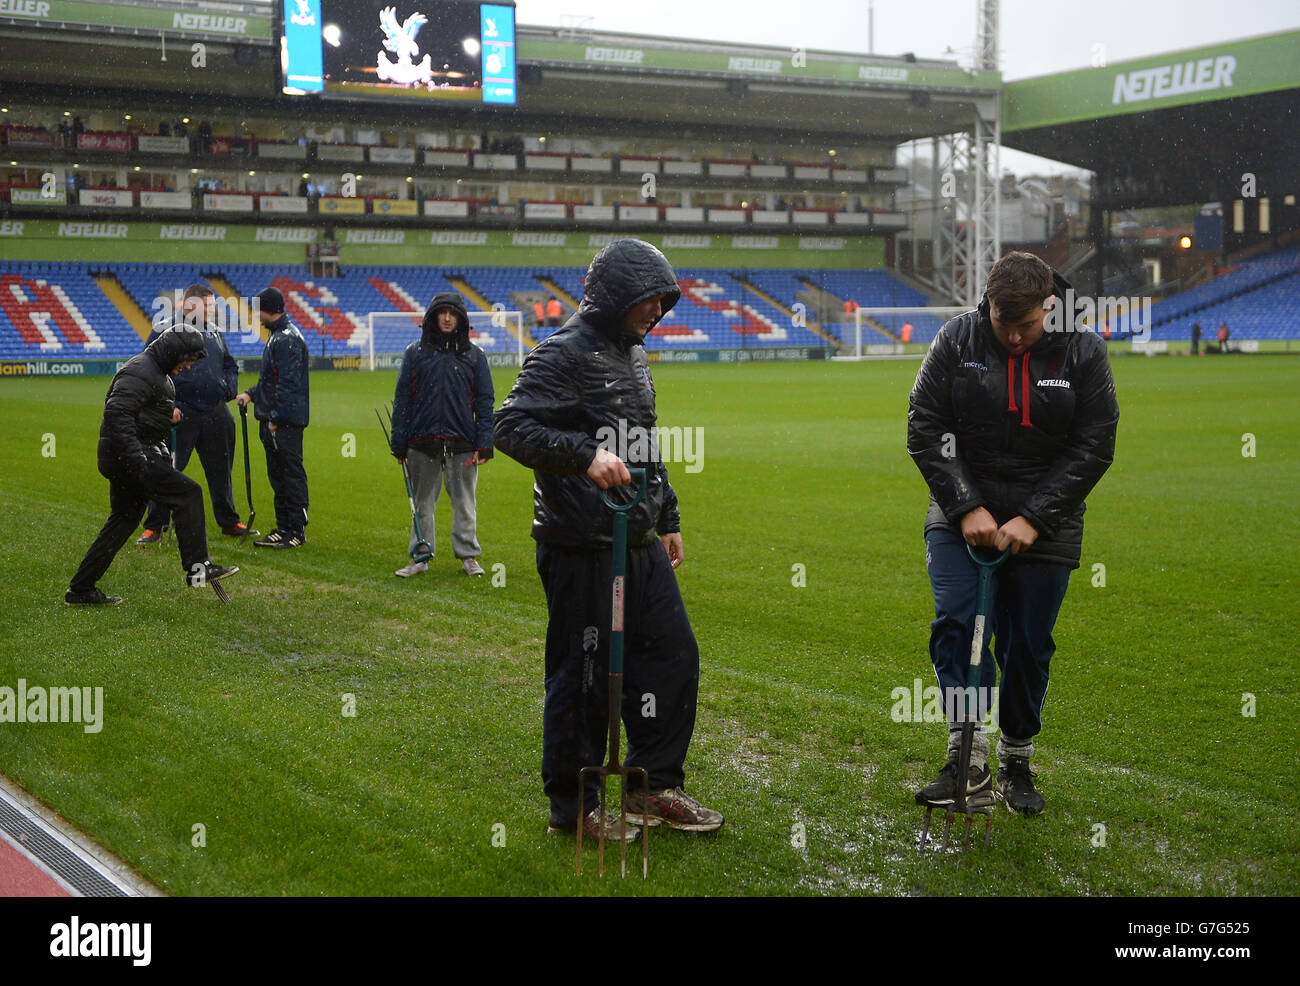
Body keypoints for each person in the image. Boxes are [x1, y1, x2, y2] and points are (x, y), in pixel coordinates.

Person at [494, 237, 723, 843]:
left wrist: (666, 515)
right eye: (648, 300)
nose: (657, 311)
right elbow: (509, 427)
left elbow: (645, 440)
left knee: (673, 657)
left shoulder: (635, 355)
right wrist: (584, 454)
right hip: (581, 543)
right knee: (586, 675)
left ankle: (653, 786)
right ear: (616, 294)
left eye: (663, 302)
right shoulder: (560, 353)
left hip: (638, 537)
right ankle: (575, 808)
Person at [907, 251, 1119, 815]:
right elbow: (925, 427)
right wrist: (966, 506)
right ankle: (965, 755)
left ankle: (1015, 758)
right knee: (957, 622)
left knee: (1027, 642)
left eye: (1026, 325)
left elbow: (1094, 444)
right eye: (1003, 323)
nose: (1015, 336)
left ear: (1050, 306)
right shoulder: (957, 340)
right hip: (961, 513)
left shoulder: (1084, 349)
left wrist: (1036, 516)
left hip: (1046, 519)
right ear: (989, 307)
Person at [66, 326, 238, 604]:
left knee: (123, 521)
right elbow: (117, 414)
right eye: (188, 359)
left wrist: (164, 416)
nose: (188, 366)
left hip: (121, 457)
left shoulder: (153, 371)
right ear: (175, 352)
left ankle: (81, 589)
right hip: (131, 458)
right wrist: (138, 460)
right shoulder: (142, 370)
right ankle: (198, 569)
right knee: (188, 494)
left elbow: (135, 412)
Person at [136, 284, 257, 545]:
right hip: (181, 412)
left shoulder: (214, 332)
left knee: (221, 469)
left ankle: (229, 521)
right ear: (191, 305)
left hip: (215, 410)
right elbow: (149, 367)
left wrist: (228, 389)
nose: (213, 311)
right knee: (167, 468)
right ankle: (155, 525)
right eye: (208, 306)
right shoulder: (164, 329)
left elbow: (229, 364)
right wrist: (168, 405)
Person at [388, 293, 493, 578]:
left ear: (461, 319)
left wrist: (485, 444)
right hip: (422, 443)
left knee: (465, 504)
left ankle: (469, 556)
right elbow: (403, 401)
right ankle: (420, 556)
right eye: (442, 312)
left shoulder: (475, 356)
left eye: (453, 313)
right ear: (433, 316)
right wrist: (399, 443)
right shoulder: (415, 353)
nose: (447, 318)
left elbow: (485, 402)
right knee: (422, 504)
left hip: (463, 444)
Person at [236, 287, 309, 548]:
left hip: (283, 424)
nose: (256, 315)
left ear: (270, 310)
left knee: (289, 475)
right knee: (278, 477)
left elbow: (287, 385)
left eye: (258, 310)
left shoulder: (285, 339)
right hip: (276, 420)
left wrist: (275, 419)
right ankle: (283, 527)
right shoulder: (278, 337)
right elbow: (271, 381)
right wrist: (251, 394)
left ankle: (296, 531)